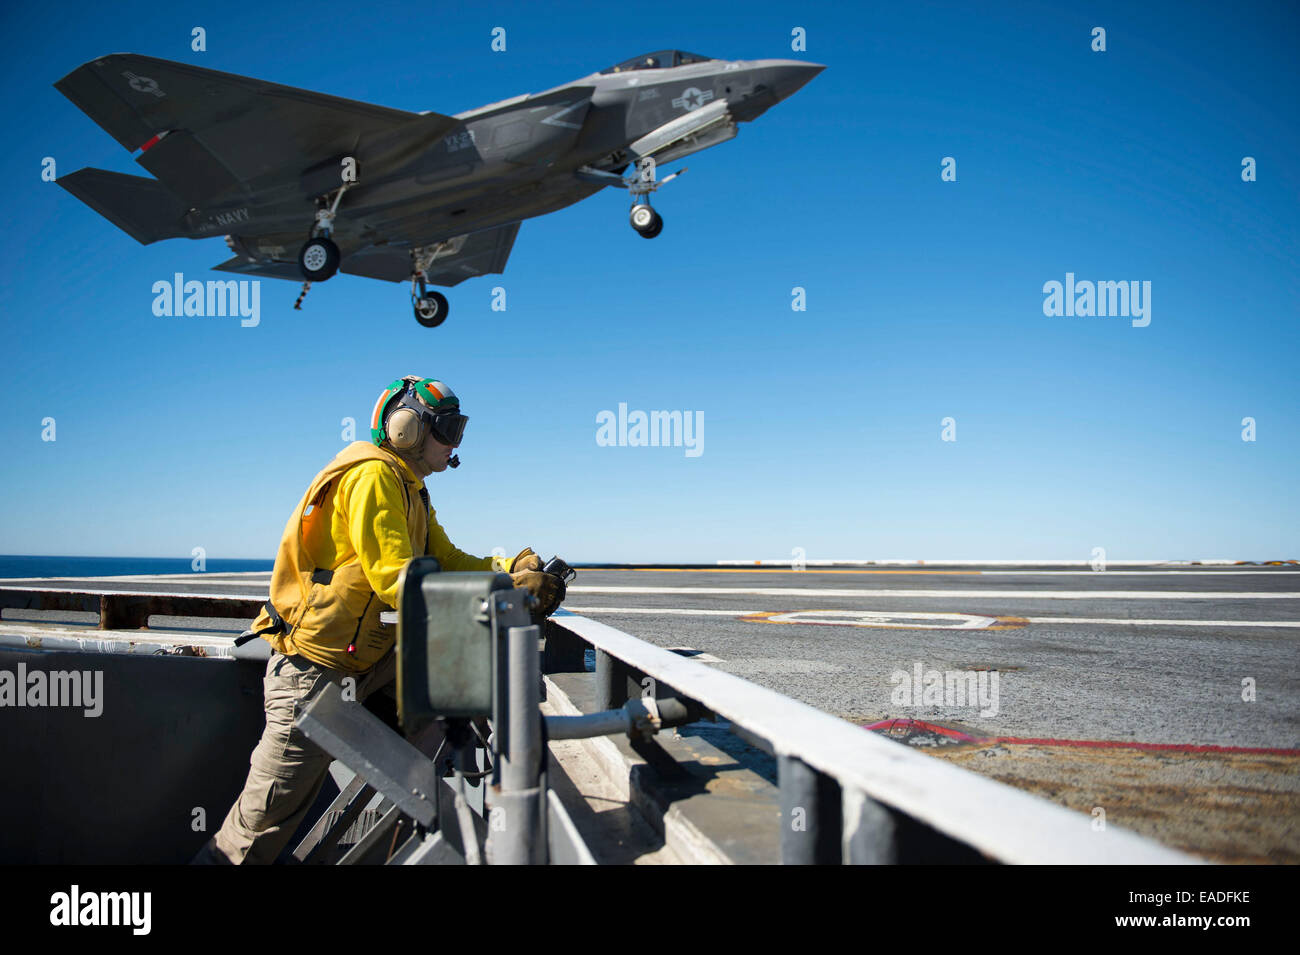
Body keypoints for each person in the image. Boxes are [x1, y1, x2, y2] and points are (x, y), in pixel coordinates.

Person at [192, 375, 561, 864]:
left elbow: (445, 559)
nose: (455, 443)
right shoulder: (373, 477)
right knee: (251, 838)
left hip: (361, 668)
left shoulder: (411, 489)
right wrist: (505, 591)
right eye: (448, 429)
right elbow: (398, 580)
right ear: (408, 429)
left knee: (455, 680)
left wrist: (508, 570)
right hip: (311, 676)